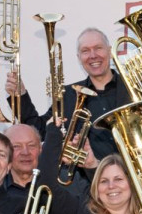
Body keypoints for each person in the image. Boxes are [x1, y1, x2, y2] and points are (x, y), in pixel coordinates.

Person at [13, 26, 126, 163]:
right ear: (79, 58)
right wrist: (20, 95)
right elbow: (40, 130)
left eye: (98, 48)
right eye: (85, 51)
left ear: (110, 51)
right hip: (84, 181)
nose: (92, 55)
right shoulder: (68, 95)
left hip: (133, 177)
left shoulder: (134, 87)